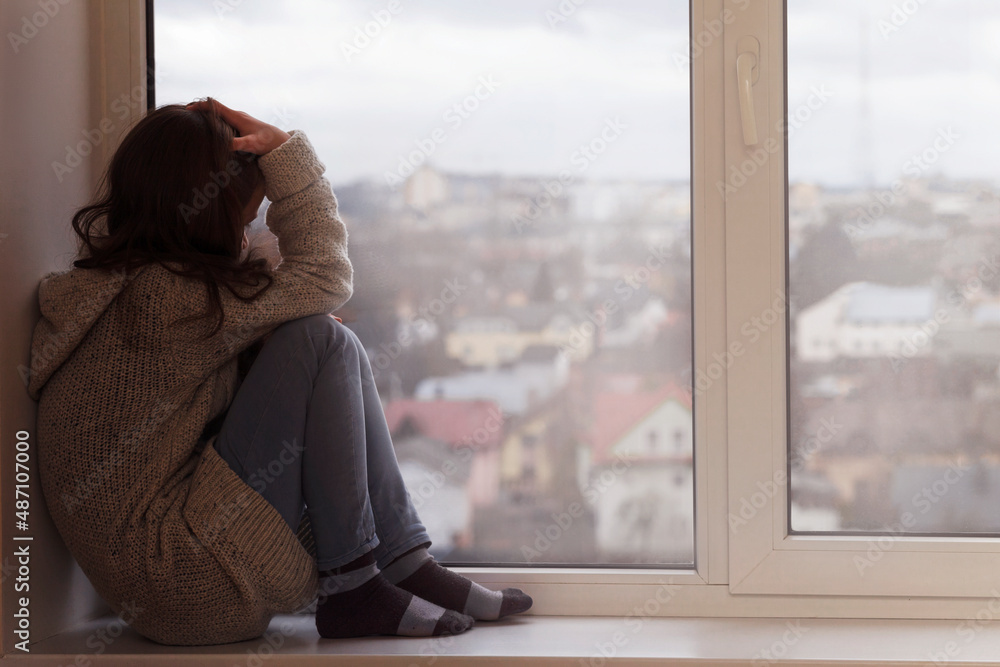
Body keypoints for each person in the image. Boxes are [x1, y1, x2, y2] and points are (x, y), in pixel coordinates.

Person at [26, 97, 530, 646]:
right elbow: (326, 275)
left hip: (174, 582)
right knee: (321, 337)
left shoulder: (131, 293)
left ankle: (401, 565)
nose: (246, 236)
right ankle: (361, 588)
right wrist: (290, 155)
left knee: (325, 340)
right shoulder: (162, 299)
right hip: (191, 579)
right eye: (246, 217)